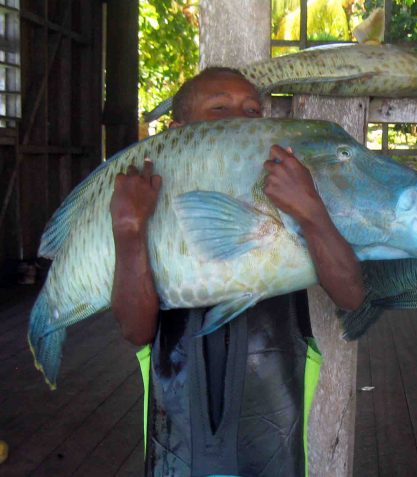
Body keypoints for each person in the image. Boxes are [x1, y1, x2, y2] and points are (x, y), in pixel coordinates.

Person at [109, 67, 364, 476]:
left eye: (252, 110)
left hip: (272, 443)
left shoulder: (287, 197)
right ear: (178, 131)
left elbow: (352, 295)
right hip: (178, 445)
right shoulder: (152, 210)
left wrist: (310, 210)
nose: (241, 117)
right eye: (219, 107)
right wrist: (129, 231)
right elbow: (136, 330)